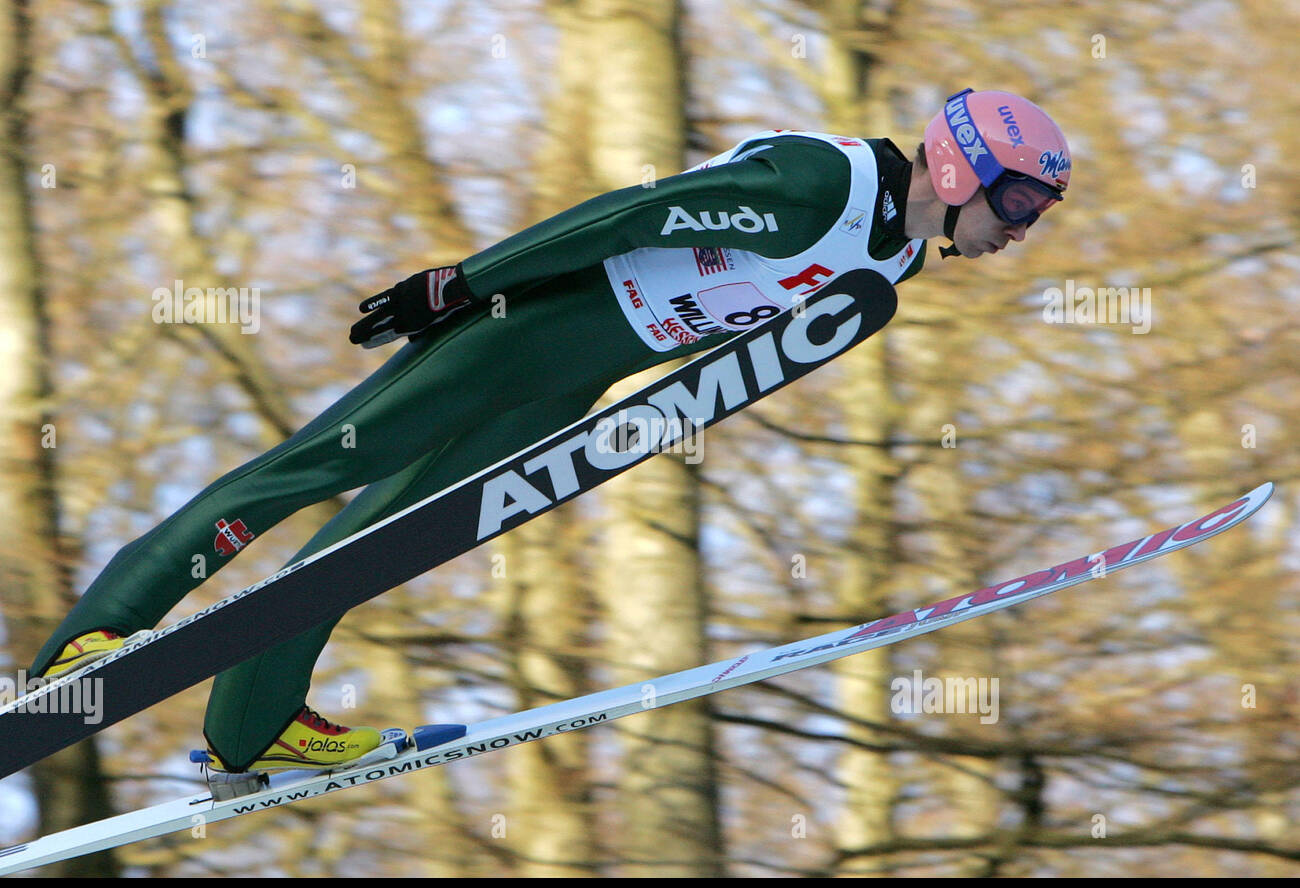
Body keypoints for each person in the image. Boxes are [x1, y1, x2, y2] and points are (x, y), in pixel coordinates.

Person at [30, 88, 1071, 777]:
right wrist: (467, 280)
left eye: (1038, 214)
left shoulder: (885, 267)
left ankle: (249, 722)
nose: (1019, 231)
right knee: (314, 469)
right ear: (955, 166)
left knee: (377, 545)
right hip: (522, 327)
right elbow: (634, 214)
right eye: (1018, 200)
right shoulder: (822, 189)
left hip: (574, 385)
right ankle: (100, 631)